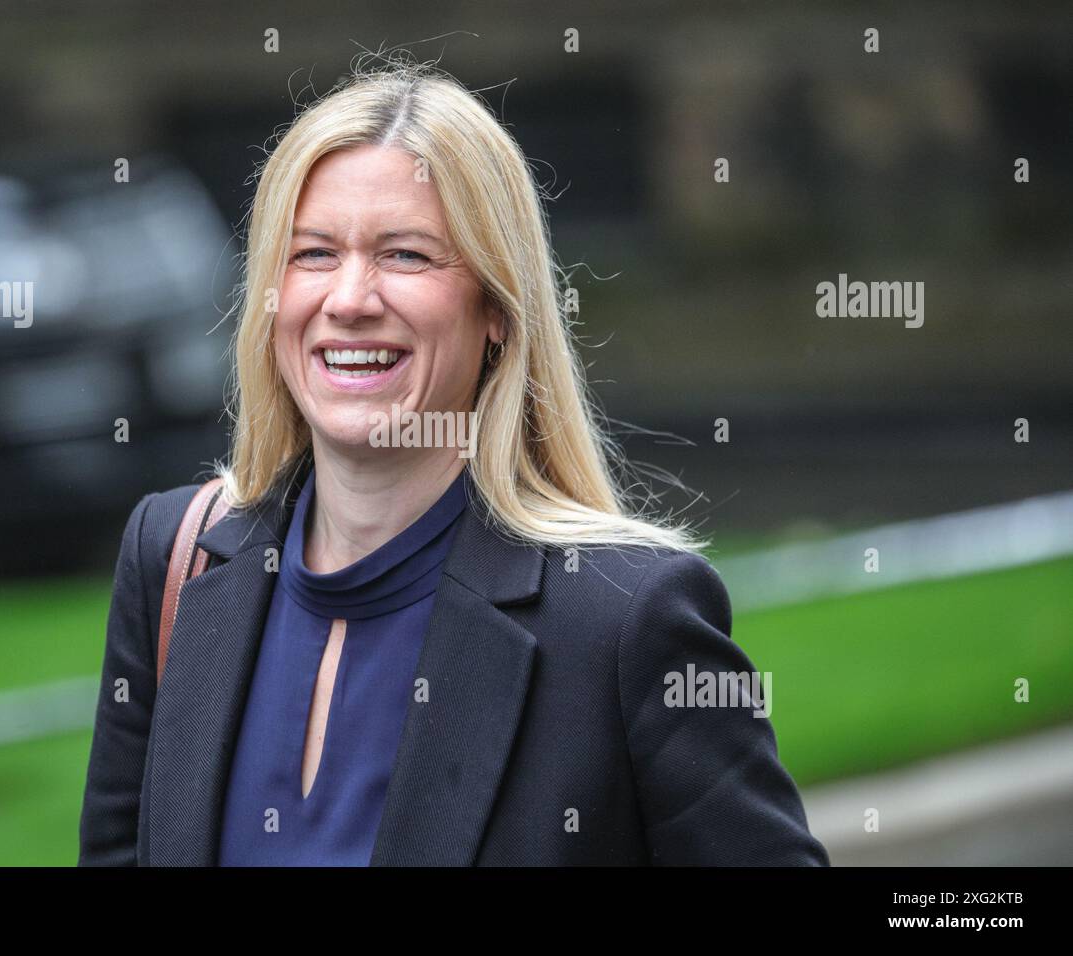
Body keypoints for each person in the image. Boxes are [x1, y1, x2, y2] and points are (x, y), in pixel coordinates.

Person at [78, 59, 829, 867]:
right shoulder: (175, 561)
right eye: (314, 254)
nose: (351, 298)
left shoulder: (626, 619)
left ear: (499, 312)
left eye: (405, 255)